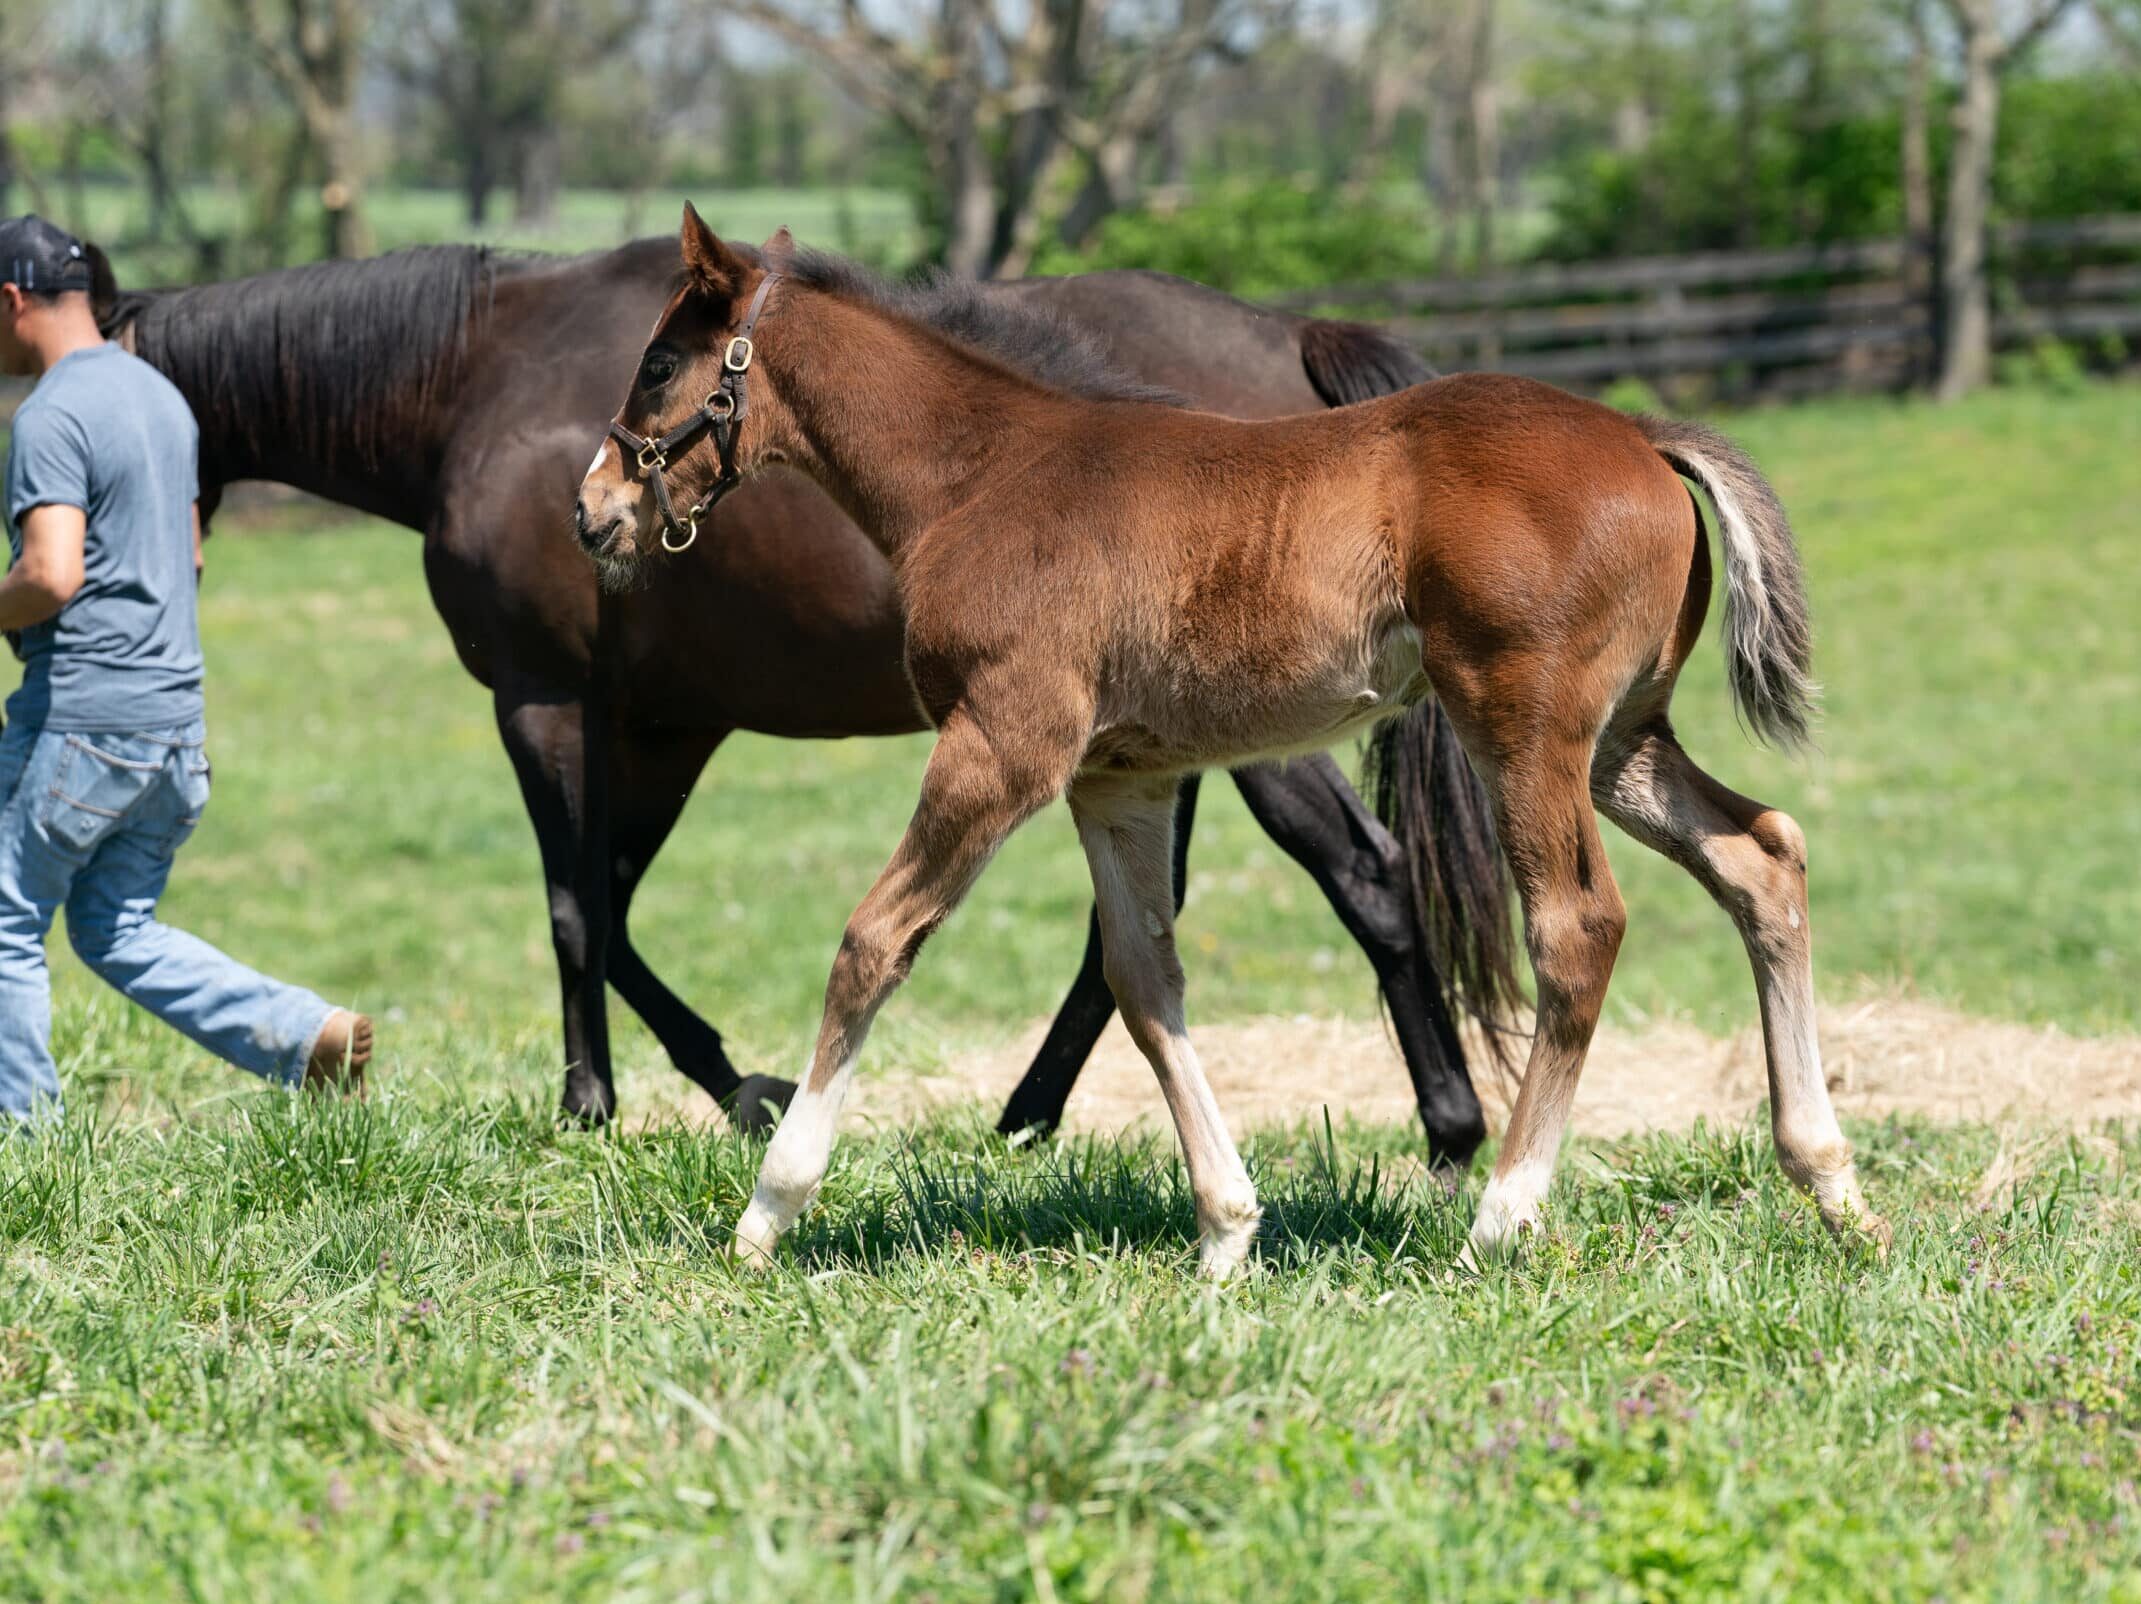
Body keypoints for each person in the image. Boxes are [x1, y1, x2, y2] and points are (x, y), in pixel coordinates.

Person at [0, 215, 371, 1120]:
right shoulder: (162, 399)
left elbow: (51, 570)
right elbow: (190, 556)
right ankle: (301, 1030)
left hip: (83, 723)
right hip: (173, 729)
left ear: (11, 302)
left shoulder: (50, 413)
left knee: (4, 920)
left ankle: (27, 1145)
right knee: (112, 927)